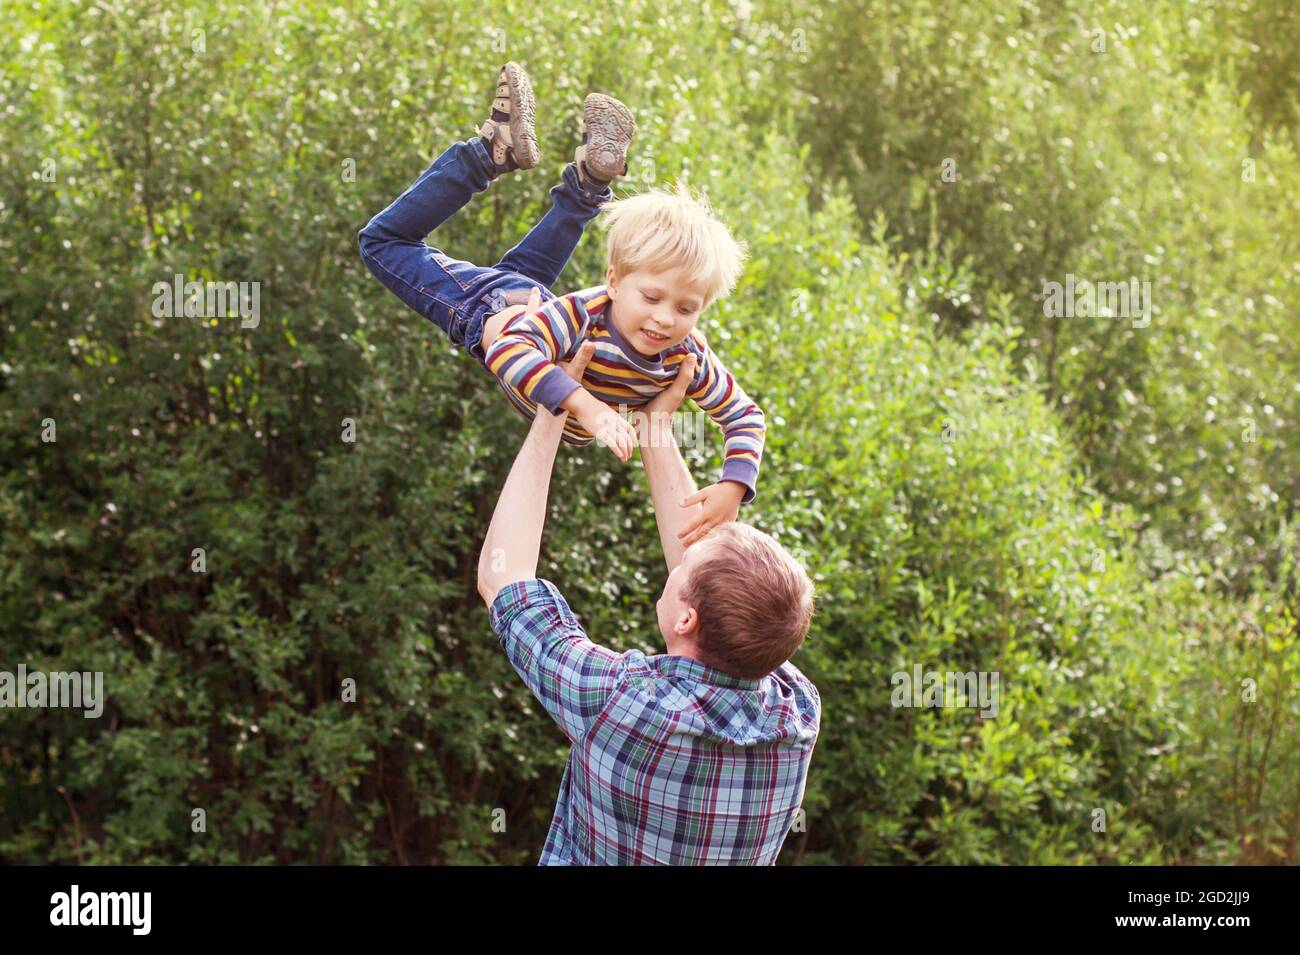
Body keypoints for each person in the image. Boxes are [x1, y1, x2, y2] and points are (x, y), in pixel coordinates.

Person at [358, 61, 766, 540]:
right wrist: (587, 406)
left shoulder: (686, 352)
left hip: (536, 307)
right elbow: (508, 350)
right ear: (613, 282)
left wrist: (734, 486)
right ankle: (487, 155)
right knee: (383, 243)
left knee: (518, 279)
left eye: (685, 308)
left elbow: (744, 414)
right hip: (495, 314)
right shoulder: (586, 312)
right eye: (652, 297)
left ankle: (587, 184)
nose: (664, 319)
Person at [476, 333, 819, 865]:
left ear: (686, 616)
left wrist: (553, 411)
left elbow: (505, 580)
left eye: (686, 566)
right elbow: (731, 598)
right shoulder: (795, 713)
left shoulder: (621, 702)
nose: (682, 556)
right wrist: (655, 429)